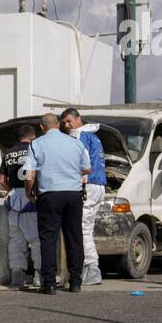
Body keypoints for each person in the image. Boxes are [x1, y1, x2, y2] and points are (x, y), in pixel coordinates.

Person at [25, 112, 91, 295]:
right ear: (58, 125)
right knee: (74, 238)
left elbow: (29, 174)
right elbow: (87, 168)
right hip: (73, 194)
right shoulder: (75, 143)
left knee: (48, 239)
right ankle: (76, 282)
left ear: (41, 128)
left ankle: (49, 284)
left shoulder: (36, 144)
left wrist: (29, 192)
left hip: (49, 196)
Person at [61, 108, 106, 286]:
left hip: (88, 184)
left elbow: (79, 161)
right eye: (64, 122)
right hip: (99, 184)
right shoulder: (94, 136)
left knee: (82, 228)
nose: (66, 125)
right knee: (88, 227)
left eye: (69, 121)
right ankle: (91, 267)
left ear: (78, 119)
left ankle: (91, 268)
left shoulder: (79, 136)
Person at [0, 125, 40, 289]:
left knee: (15, 241)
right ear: (33, 137)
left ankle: (17, 276)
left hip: (14, 199)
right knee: (36, 240)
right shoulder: (35, 149)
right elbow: (34, 174)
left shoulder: (8, 153)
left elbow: (2, 179)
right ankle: (40, 276)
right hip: (31, 197)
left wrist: (12, 191)